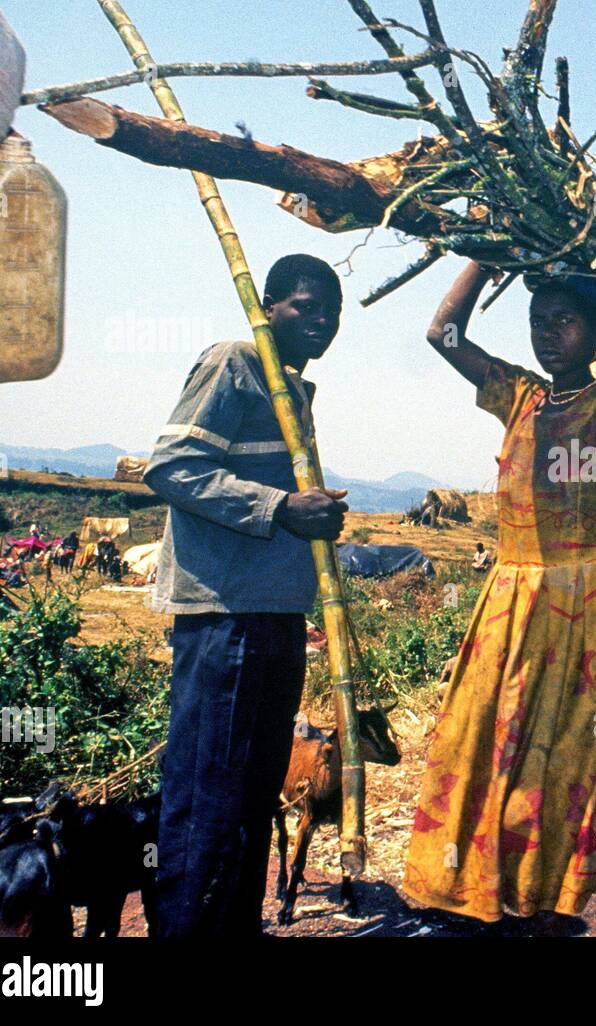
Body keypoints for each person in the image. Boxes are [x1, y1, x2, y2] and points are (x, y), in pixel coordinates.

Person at [402, 163, 596, 926]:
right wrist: (488, 246)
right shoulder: (519, 396)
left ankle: (550, 894)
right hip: (514, 600)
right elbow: (443, 333)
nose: (547, 332)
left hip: (591, 605)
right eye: (538, 320)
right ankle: (488, 884)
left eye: (563, 320)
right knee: (489, 739)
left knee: (570, 755)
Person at [145, 253, 349, 937]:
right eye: (306, 305)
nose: (322, 321)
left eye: (332, 311)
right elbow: (172, 467)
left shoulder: (292, 392)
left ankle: (233, 927)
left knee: (251, 794)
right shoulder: (235, 362)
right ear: (267, 307)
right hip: (224, 616)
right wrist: (282, 508)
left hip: (275, 618)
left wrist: (308, 512)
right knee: (209, 794)